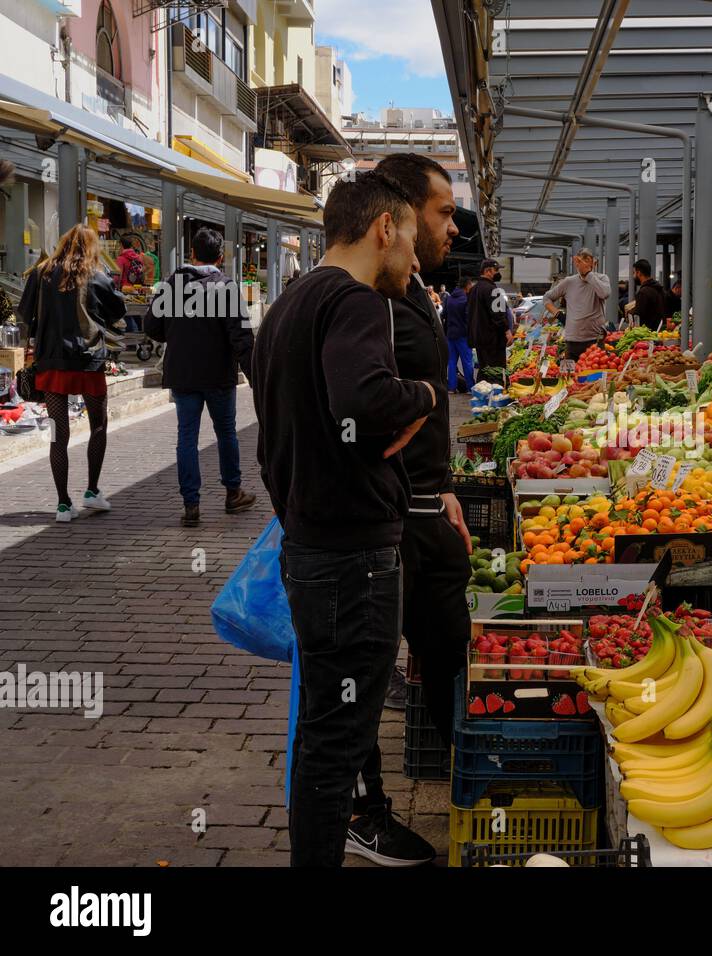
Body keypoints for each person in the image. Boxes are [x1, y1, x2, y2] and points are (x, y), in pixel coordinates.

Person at [250, 171, 437, 868]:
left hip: (312, 549)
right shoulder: (355, 302)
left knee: (323, 736)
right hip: (353, 561)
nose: (414, 260)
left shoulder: (288, 305)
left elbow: (275, 441)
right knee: (336, 739)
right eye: (411, 238)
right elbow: (362, 404)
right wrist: (419, 393)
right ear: (383, 228)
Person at [370, 154, 473, 864]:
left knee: (441, 647)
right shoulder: (363, 299)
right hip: (389, 523)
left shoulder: (406, 292)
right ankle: (361, 808)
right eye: (442, 211)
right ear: (399, 214)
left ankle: (476, 770)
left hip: (424, 512)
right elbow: (348, 415)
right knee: (364, 671)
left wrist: (444, 488)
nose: (454, 223)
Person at [143, 226, 257, 527]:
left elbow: (151, 326)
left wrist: (177, 332)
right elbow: (241, 338)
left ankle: (191, 505)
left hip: (183, 374)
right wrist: (256, 374)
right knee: (226, 433)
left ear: (191, 253)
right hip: (218, 375)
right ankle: (233, 493)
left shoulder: (172, 285)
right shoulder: (226, 287)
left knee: (187, 437)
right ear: (220, 257)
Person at [17, 224, 125, 522]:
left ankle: (63, 504)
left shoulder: (41, 273)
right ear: (92, 248)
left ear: (62, 244)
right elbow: (118, 311)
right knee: (98, 425)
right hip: (89, 363)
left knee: (58, 435)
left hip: (52, 362)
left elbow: (24, 313)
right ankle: (91, 490)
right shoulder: (97, 275)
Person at [543, 248, 611, 361]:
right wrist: (558, 314)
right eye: (580, 262)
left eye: (588, 261)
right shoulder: (569, 282)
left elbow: (604, 293)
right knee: (570, 376)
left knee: (594, 376)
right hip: (572, 341)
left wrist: (589, 274)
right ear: (576, 264)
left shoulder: (601, 278)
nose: (584, 265)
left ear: (594, 263)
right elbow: (547, 298)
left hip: (595, 340)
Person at [468, 258, 508, 379]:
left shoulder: (473, 290)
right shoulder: (493, 289)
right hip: (493, 340)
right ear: (488, 271)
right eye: (496, 270)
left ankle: (481, 394)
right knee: (495, 372)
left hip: (479, 339)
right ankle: (495, 395)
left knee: (484, 369)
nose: (498, 273)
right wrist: (507, 331)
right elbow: (498, 314)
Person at [443, 275, 474, 392]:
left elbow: (444, 314)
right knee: (467, 362)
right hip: (463, 335)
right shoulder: (465, 299)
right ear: (467, 285)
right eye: (471, 284)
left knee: (451, 362)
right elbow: (468, 318)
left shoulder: (449, 298)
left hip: (450, 334)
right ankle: (470, 388)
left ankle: (451, 387)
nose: (471, 286)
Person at [625, 258, 668, 331]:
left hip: (646, 334)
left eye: (634, 273)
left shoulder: (643, 292)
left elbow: (638, 316)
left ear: (639, 273)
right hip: (660, 332)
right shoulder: (660, 289)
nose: (633, 276)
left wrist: (630, 312)